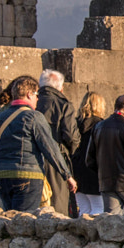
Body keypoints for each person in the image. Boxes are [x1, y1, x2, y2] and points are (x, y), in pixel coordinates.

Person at [0, 76, 71, 212]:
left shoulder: (0, 117)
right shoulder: (34, 117)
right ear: (29, 94)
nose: (38, 99)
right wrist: (67, 175)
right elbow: (50, 148)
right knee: (24, 221)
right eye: (37, 95)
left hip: (3, 175)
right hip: (28, 175)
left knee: (10, 218)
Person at [36, 70, 81, 214]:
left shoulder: (33, 102)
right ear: (60, 88)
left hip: (33, 157)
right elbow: (71, 136)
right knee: (57, 205)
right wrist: (73, 153)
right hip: (57, 158)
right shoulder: (62, 104)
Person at [71, 91, 108, 216]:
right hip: (94, 174)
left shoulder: (74, 124)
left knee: (83, 209)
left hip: (76, 172)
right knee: (99, 207)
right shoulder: (101, 125)